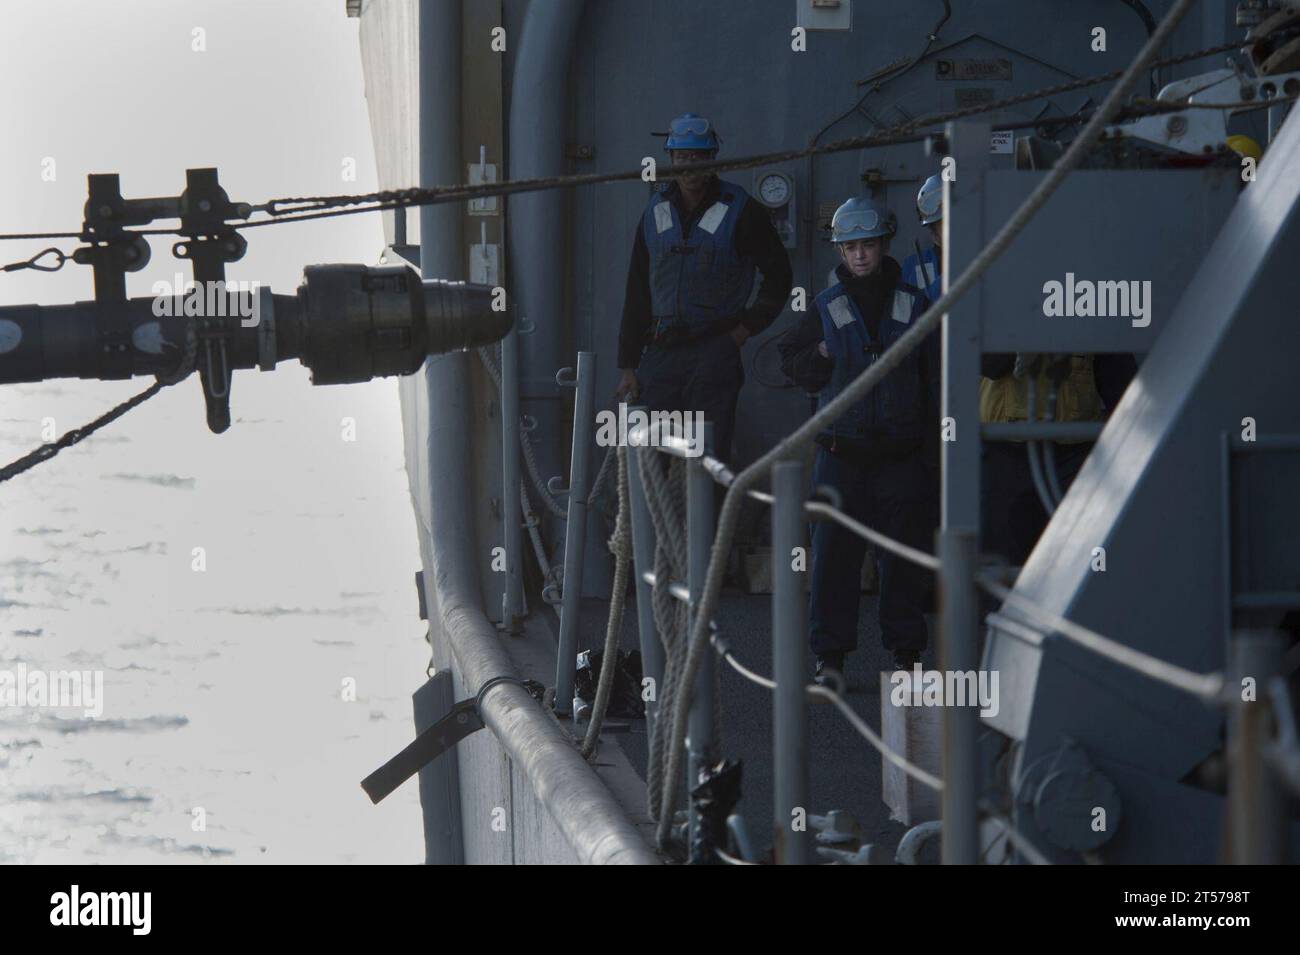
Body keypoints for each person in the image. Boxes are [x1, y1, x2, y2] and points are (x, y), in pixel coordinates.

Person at [778, 196, 939, 685]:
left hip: (901, 454)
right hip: (840, 454)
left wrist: (933, 451)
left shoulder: (916, 303)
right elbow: (793, 364)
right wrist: (821, 352)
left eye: (868, 245)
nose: (860, 256)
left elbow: (933, 379)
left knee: (903, 560)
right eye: (850, 248)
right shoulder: (825, 309)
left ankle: (906, 656)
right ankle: (831, 661)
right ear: (840, 253)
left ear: (884, 245)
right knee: (832, 560)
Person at [616, 112, 792, 461]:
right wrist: (628, 365)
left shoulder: (741, 210)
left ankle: (711, 517)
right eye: (682, 157)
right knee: (649, 461)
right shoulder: (655, 211)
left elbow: (780, 276)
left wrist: (742, 332)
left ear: (713, 158)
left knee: (707, 460)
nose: (690, 166)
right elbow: (637, 290)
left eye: (698, 157)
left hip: (714, 353)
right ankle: (656, 519)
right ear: (671, 159)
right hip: (661, 353)